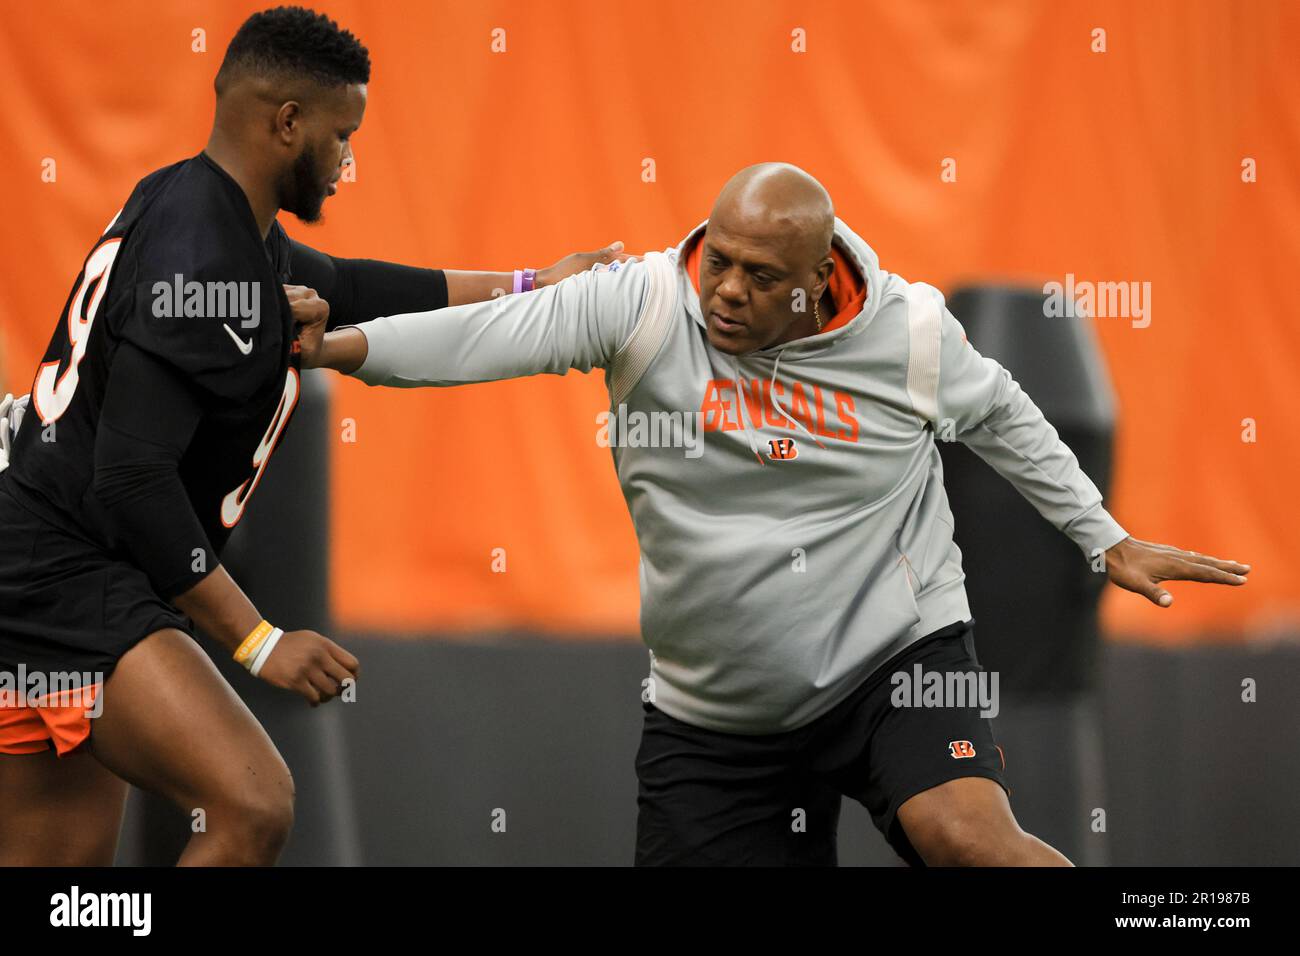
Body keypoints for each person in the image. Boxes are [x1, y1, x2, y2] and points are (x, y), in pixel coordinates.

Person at [300, 162, 1252, 866]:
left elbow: (1004, 414)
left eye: (760, 276)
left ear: (815, 278)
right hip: (717, 709)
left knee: (968, 841)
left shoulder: (908, 334)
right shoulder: (643, 305)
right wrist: (338, 346)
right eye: (719, 261)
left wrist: (1105, 537)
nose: (725, 291)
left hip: (894, 658)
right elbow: (486, 333)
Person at [0, 5, 619, 866]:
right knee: (250, 802)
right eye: (342, 136)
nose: (348, 162)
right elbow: (131, 480)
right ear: (287, 122)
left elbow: (353, 283)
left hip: (43, 564)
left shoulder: (200, 204)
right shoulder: (204, 259)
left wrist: (531, 284)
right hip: (73, 577)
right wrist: (259, 641)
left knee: (64, 884)